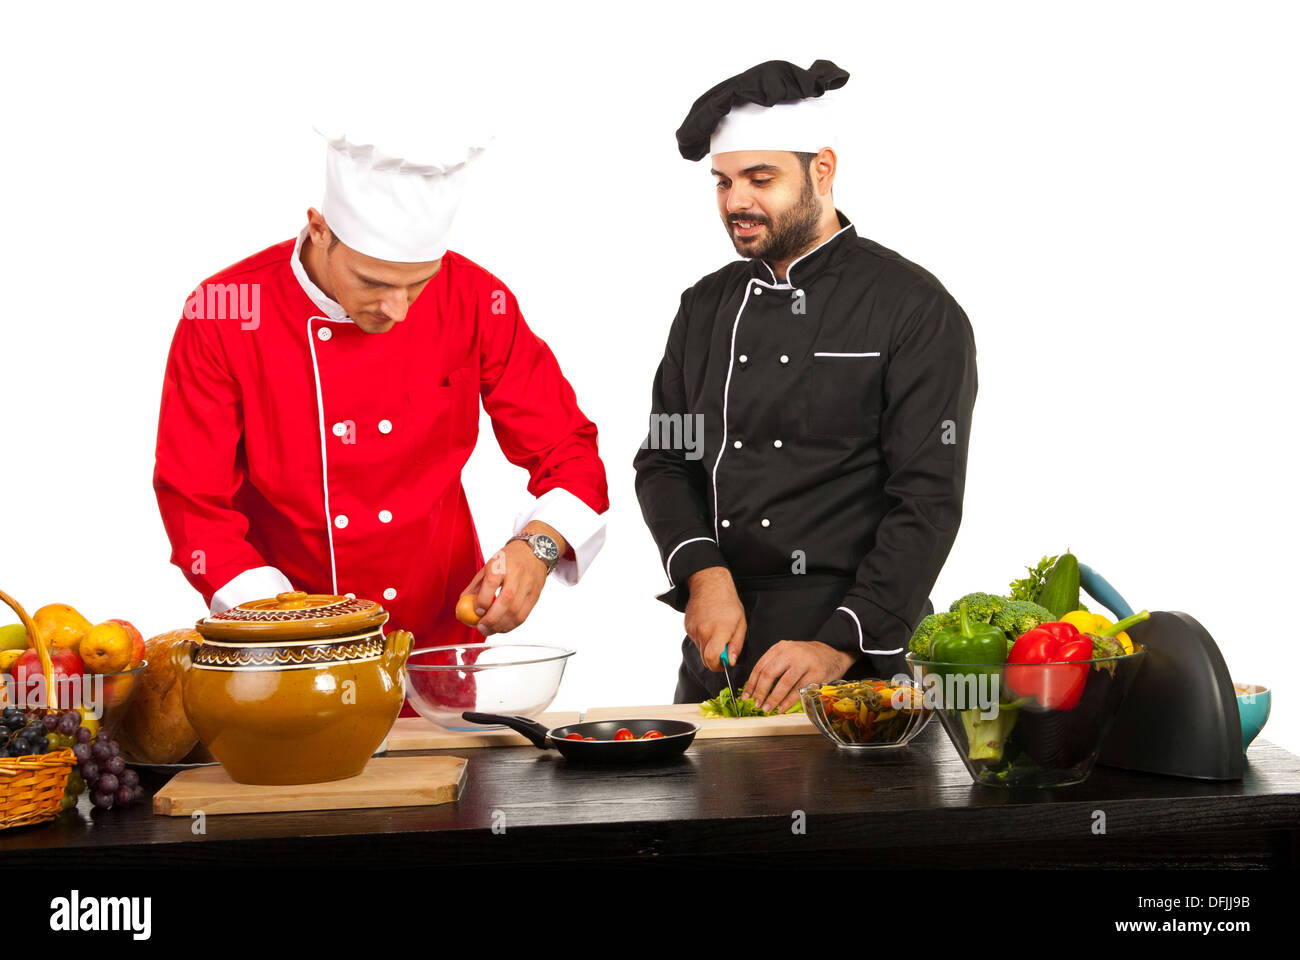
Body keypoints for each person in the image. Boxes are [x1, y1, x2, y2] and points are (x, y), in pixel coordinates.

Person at [154, 122, 609, 713]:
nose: (396, 310)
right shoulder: (224, 313)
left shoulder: (475, 298)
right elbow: (194, 503)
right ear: (319, 229)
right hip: (289, 654)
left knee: (444, 800)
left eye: (417, 285)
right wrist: (284, 625)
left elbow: (568, 450)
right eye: (373, 282)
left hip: (438, 644)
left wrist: (537, 550)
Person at [633, 59, 977, 712]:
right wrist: (703, 577)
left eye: (760, 179)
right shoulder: (704, 307)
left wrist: (841, 641)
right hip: (720, 655)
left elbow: (926, 499)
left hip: (857, 657)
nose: (737, 201)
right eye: (724, 181)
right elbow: (666, 463)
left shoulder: (912, 308)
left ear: (822, 170)